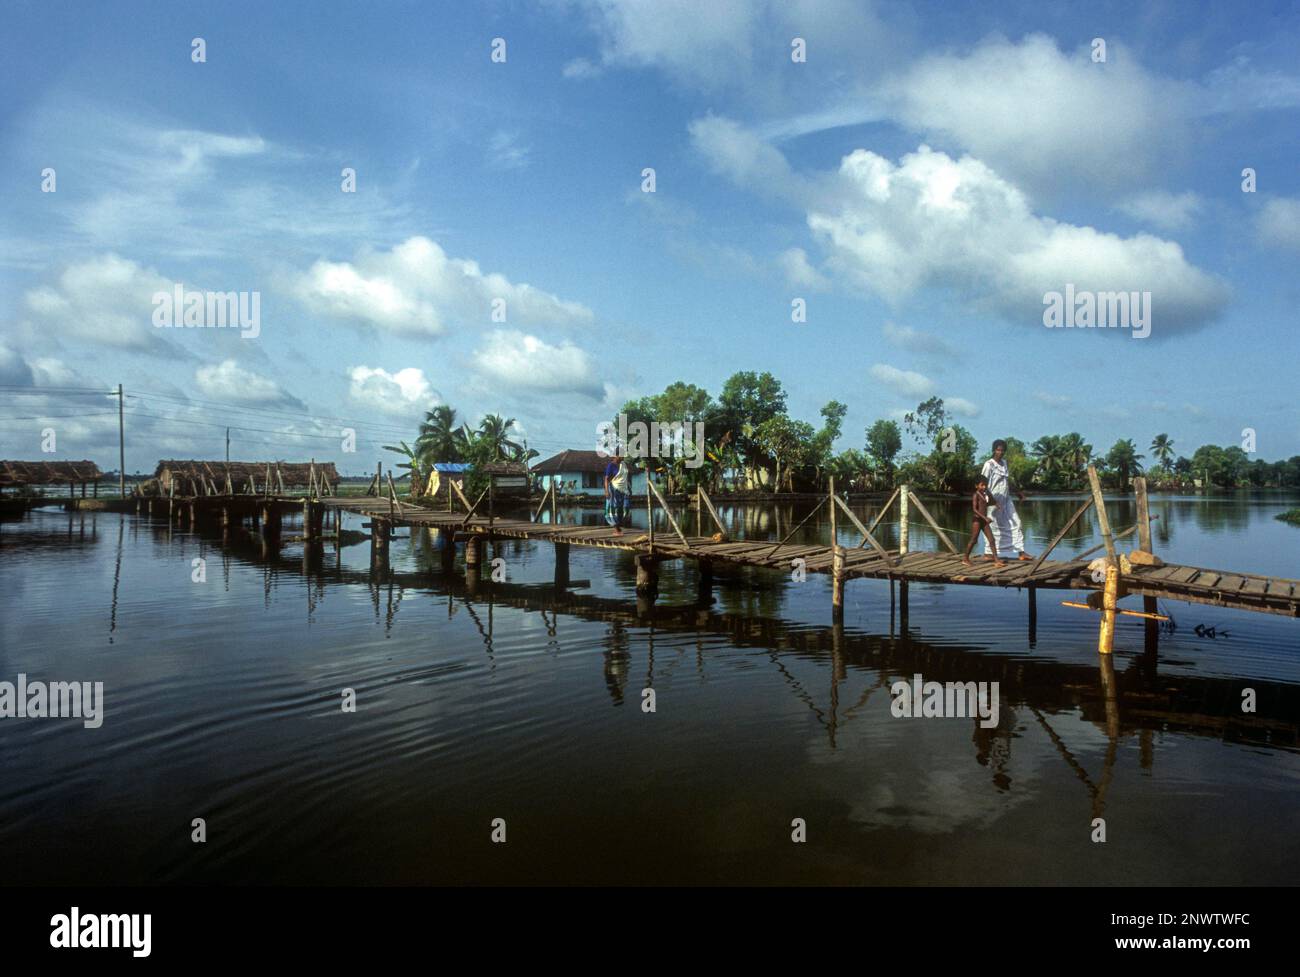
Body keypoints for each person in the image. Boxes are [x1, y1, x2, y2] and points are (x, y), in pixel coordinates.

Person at [981, 439, 1034, 561]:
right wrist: (993, 501)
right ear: (994, 450)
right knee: (992, 525)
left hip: (1006, 499)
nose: (1000, 452)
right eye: (998, 450)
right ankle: (988, 553)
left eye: (1002, 450)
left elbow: (1007, 481)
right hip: (992, 500)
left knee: (1017, 522)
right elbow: (982, 484)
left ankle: (1021, 552)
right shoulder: (988, 465)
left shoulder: (1004, 463)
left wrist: (1018, 493)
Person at [963, 474, 1005, 566]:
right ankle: (965, 559)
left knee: (992, 540)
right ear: (976, 486)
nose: (984, 487)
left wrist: (996, 504)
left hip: (984, 521)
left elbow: (990, 501)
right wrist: (985, 518)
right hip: (977, 521)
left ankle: (996, 560)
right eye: (982, 485)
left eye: (985, 485)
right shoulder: (976, 495)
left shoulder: (985, 494)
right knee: (974, 540)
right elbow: (974, 509)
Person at [604, 451, 630, 535]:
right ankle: (617, 529)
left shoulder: (624, 464)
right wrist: (607, 491)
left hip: (624, 489)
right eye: (622, 455)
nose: (624, 456)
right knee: (613, 509)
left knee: (625, 508)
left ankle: (618, 527)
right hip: (614, 489)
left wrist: (629, 488)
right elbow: (606, 479)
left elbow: (625, 477)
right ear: (616, 455)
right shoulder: (611, 465)